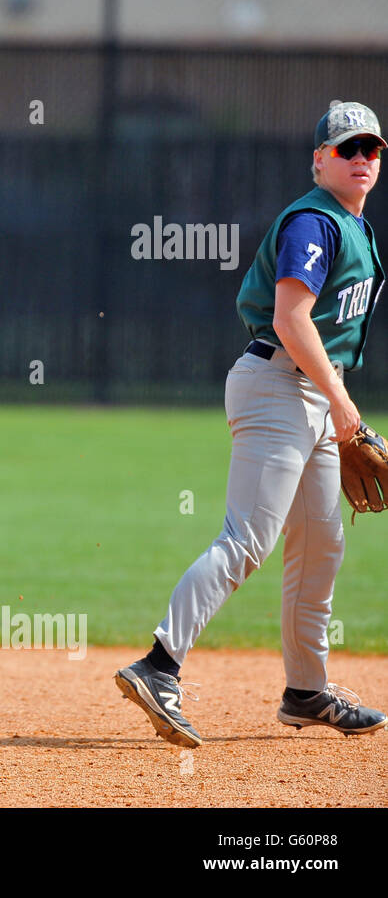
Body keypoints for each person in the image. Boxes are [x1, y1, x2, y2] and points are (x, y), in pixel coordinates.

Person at [115, 101, 387, 747]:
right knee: (247, 539)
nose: (359, 159)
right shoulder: (313, 223)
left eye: (370, 149)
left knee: (322, 541)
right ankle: (159, 664)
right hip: (276, 386)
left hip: (312, 396)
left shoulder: (355, 227)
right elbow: (293, 321)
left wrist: (336, 407)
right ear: (318, 158)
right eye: (346, 148)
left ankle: (305, 689)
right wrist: (345, 408)